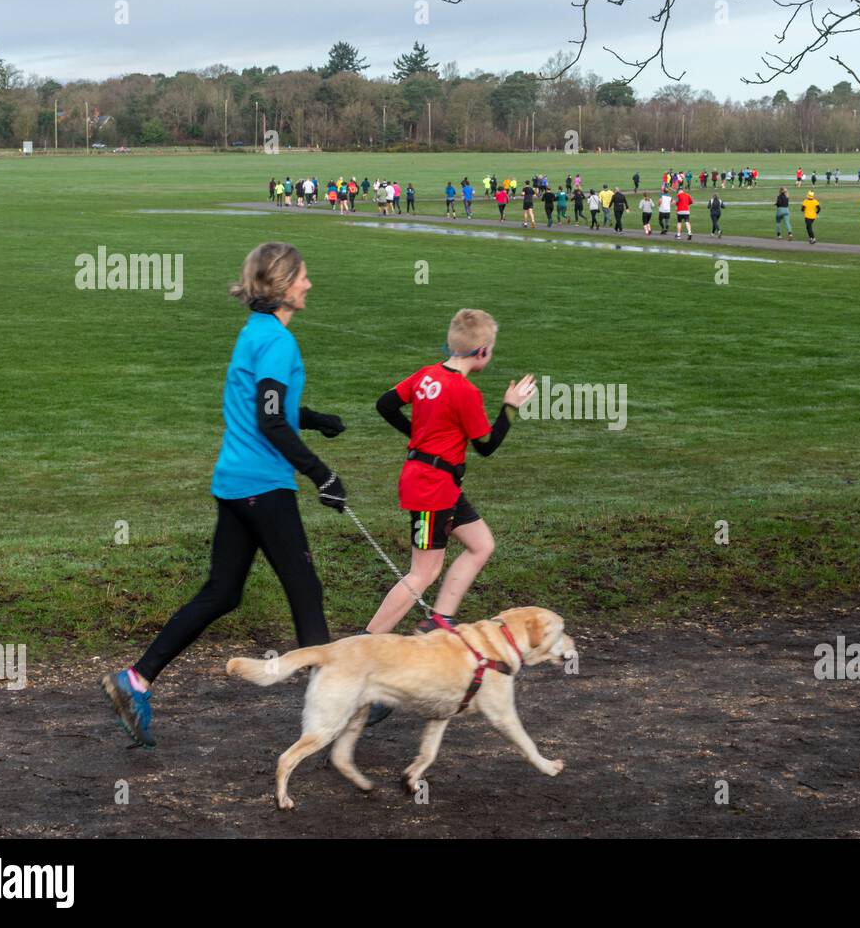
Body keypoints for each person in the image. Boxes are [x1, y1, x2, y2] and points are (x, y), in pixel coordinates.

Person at [102, 243, 348, 748]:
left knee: (223, 592)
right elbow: (270, 418)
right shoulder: (278, 342)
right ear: (282, 285)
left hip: (234, 485)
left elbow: (265, 404)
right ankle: (339, 710)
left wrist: (316, 419)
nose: (309, 284)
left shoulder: (254, 332)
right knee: (306, 595)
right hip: (264, 486)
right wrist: (320, 474)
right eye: (303, 276)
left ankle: (137, 679)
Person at [366, 309, 536, 650]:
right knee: (423, 572)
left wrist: (418, 436)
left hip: (439, 484)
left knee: (481, 544)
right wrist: (510, 407)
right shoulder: (464, 392)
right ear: (483, 351)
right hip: (431, 488)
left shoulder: (427, 375)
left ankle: (440, 620)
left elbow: (385, 404)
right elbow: (486, 446)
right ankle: (364, 644)